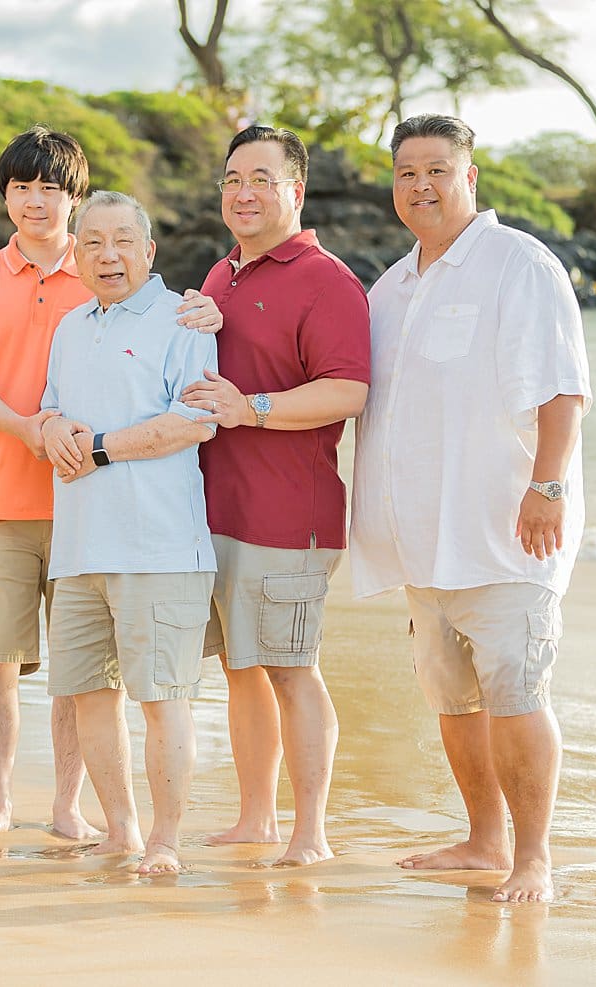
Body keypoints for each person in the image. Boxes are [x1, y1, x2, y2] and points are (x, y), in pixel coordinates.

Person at [0, 127, 221, 841]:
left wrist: (216, 309)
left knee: (87, 675)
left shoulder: (109, 275)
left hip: (95, 515)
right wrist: (33, 429)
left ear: (76, 198)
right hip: (3, 498)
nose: (35, 201)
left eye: (50, 188)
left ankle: (70, 806)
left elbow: (190, 369)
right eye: (21, 188)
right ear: (5, 196)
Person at [350, 114, 592, 903]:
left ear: (470, 177)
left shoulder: (518, 263)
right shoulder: (392, 287)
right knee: (454, 700)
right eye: (406, 172)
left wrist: (548, 486)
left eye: (437, 170)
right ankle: (484, 839)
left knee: (517, 695)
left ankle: (534, 857)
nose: (420, 185)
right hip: (425, 543)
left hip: (506, 534)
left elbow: (563, 389)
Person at [179, 126, 370, 866]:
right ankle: (255, 818)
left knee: (291, 668)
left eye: (262, 178)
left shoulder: (327, 280)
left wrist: (250, 407)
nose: (244, 192)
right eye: (232, 179)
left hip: (290, 519)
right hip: (216, 511)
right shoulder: (221, 273)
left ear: (297, 189)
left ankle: (309, 831)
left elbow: (348, 390)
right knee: (240, 666)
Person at [38, 190, 218, 875]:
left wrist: (99, 449)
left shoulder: (184, 319)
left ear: (149, 250)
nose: (107, 255)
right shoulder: (71, 326)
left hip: (159, 548)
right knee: (89, 695)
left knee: (162, 699)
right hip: (78, 547)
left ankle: (166, 839)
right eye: (92, 242)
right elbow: (51, 409)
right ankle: (121, 830)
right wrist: (55, 428)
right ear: (77, 254)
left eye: (122, 241)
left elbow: (194, 422)